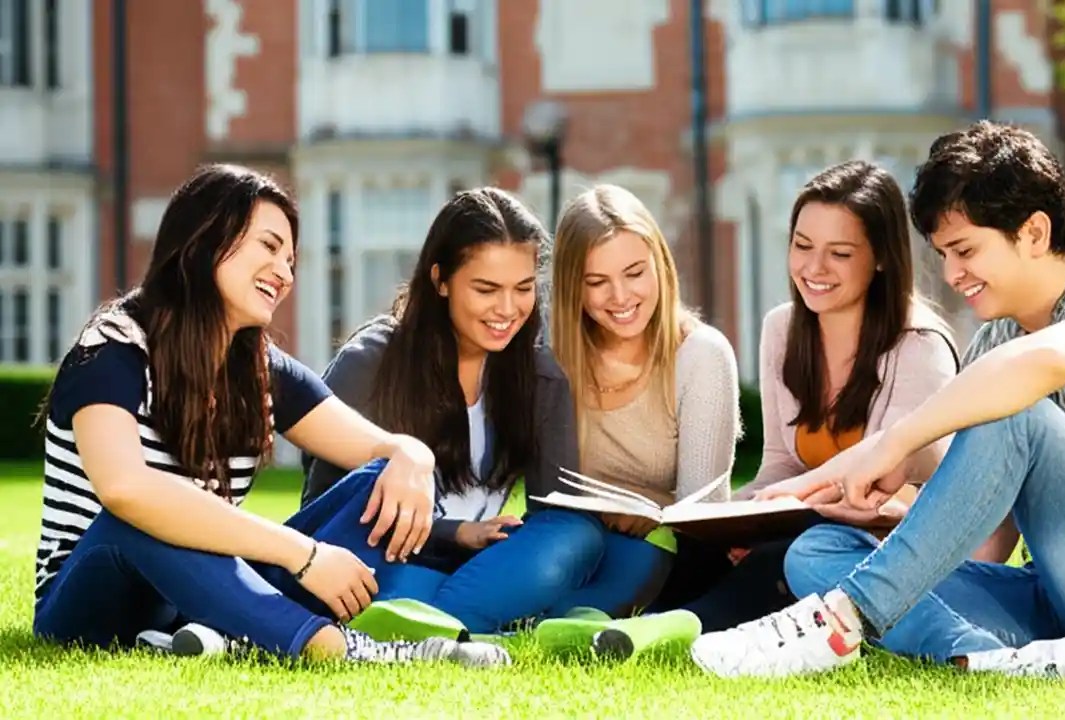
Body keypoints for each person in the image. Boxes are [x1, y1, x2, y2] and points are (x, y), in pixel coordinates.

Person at [691, 120, 1065, 680]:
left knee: (1013, 410)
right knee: (818, 552)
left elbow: (1041, 365)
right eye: (942, 254)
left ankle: (842, 620)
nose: (952, 275)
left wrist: (893, 444)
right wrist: (840, 506)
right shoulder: (994, 340)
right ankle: (986, 658)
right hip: (1052, 598)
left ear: (1034, 233)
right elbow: (989, 526)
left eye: (965, 250)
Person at [31, 164, 507, 666]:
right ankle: (335, 647)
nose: (285, 273)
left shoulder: (257, 368)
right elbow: (126, 489)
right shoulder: (113, 347)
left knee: (379, 481)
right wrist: (303, 555)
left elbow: (378, 447)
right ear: (206, 238)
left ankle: (219, 635)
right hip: (91, 600)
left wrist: (413, 456)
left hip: (194, 594)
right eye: (269, 246)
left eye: (291, 259)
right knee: (141, 514)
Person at [665, 160, 972, 632]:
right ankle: (625, 621)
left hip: (885, 542)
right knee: (690, 547)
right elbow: (779, 466)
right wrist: (736, 517)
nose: (813, 268)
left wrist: (787, 510)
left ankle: (671, 630)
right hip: (806, 524)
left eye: (840, 253)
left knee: (784, 555)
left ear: (882, 257)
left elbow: (880, 484)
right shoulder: (781, 329)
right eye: (802, 245)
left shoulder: (920, 346)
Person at [301, 187, 605, 635]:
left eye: (523, 289)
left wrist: (500, 546)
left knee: (583, 537)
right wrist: (455, 532)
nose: (508, 309)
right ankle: (489, 621)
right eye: (486, 289)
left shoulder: (540, 377)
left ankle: (431, 624)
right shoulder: (372, 362)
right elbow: (326, 513)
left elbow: (556, 517)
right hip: (384, 561)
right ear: (440, 280)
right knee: (402, 584)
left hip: (479, 566)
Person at [547, 184, 740, 617]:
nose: (620, 297)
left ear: (660, 265)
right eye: (597, 282)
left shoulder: (701, 355)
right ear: (573, 289)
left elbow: (704, 512)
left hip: (674, 556)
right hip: (573, 545)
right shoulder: (553, 360)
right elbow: (542, 490)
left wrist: (650, 512)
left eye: (634, 273)